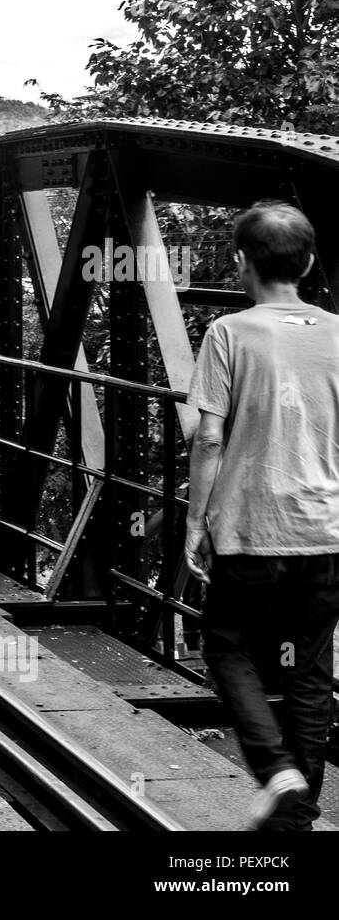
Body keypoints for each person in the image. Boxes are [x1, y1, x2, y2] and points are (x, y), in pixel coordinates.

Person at [185, 200, 339, 831]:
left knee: (224, 646)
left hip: (251, 528)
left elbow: (210, 438)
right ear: (306, 263)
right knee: (310, 669)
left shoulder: (230, 332)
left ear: (242, 264)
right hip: (324, 528)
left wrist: (197, 520)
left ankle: (275, 770)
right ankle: (297, 815)